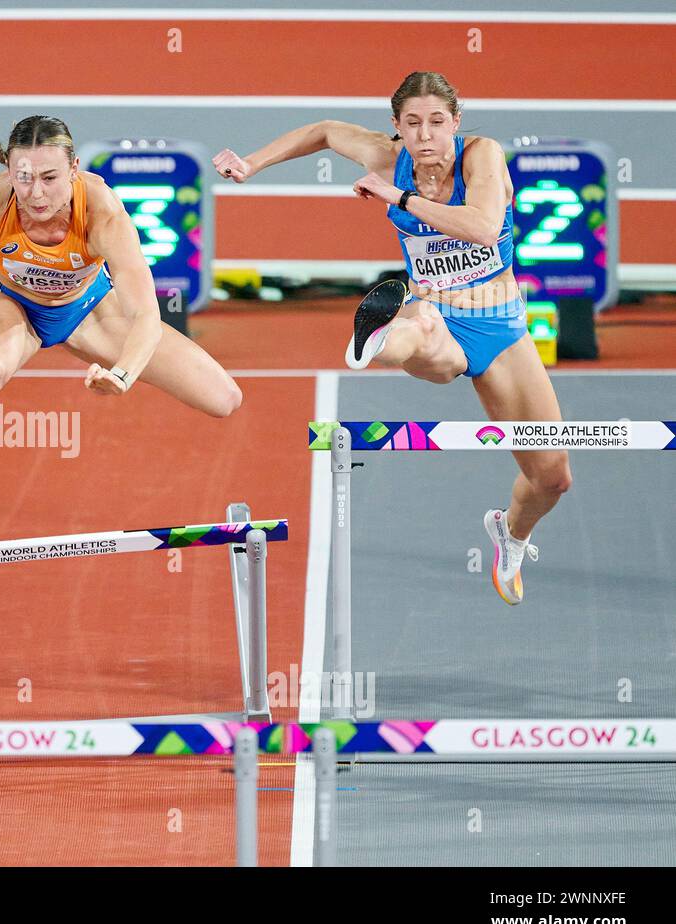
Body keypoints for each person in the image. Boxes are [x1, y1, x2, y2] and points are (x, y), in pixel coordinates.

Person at [212, 72, 570, 605]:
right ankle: (376, 337)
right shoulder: (386, 156)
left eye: (437, 122)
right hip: (440, 313)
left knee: (551, 477)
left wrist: (397, 197)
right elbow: (326, 131)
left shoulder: (482, 157)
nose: (425, 135)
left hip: (501, 322)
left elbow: (483, 227)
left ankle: (510, 532)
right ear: (397, 128)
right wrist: (252, 163)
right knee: (425, 336)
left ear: (457, 121)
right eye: (412, 123)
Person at [0, 115, 242, 551]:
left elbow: (146, 313)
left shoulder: (102, 213)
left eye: (49, 178)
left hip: (88, 309)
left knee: (223, 398)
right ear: (10, 172)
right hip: (10, 303)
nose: (35, 193)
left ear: (73, 170)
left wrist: (122, 375)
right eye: (23, 177)